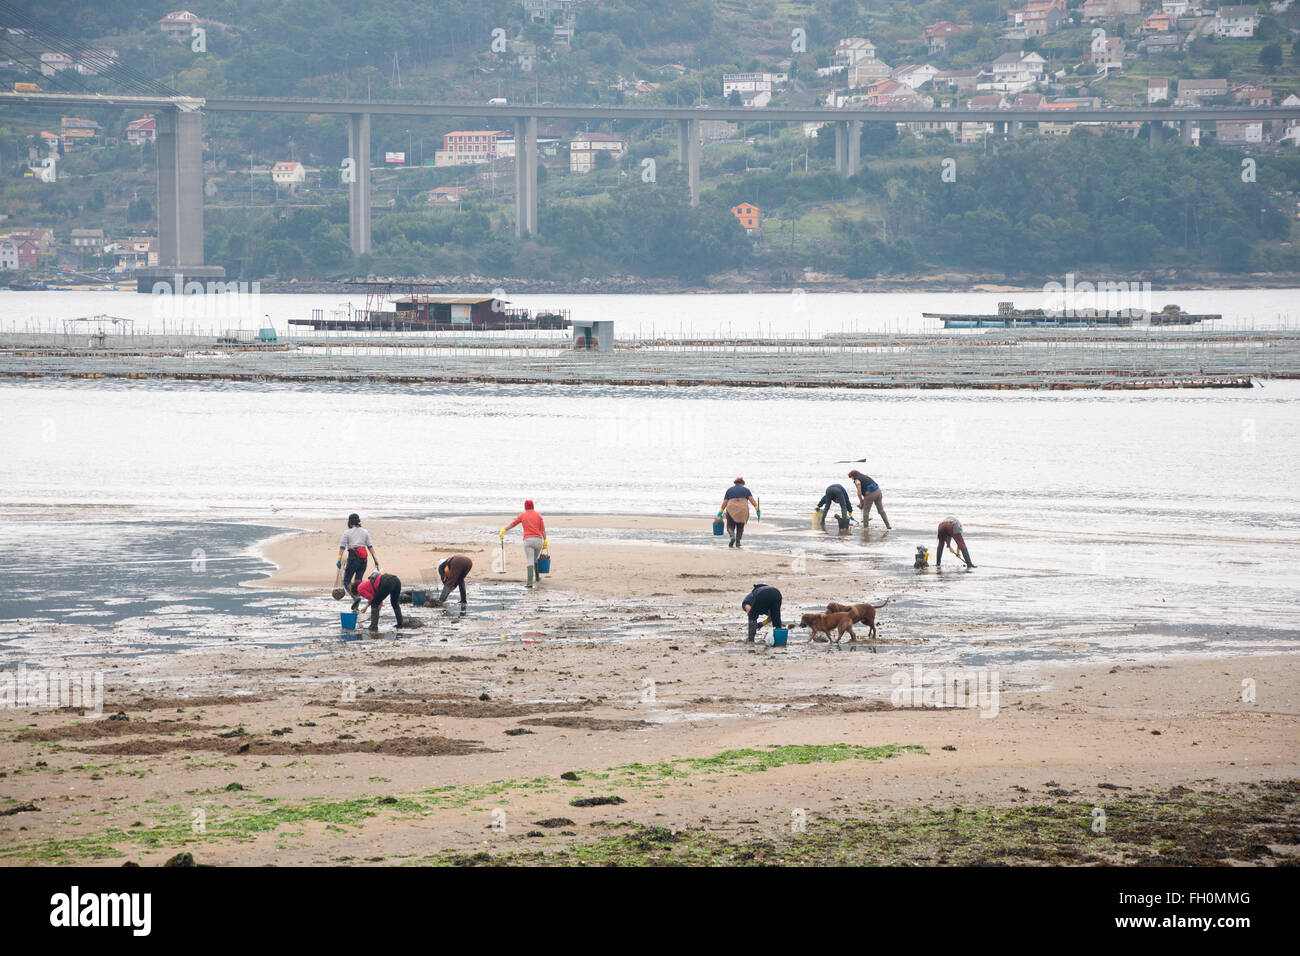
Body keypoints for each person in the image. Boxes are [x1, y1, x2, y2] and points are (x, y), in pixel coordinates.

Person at [501, 500, 548, 588]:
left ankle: (529, 582)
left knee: (530, 559)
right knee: (536, 558)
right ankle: (537, 578)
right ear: (533, 506)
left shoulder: (523, 515)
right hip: (538, 540)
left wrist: (504, 530)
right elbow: (542, 530)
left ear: (525, 506)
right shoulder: (538, 515)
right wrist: (545, 540)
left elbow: (513, 524)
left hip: (528, 540)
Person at [337, 514, 379, 611]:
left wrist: (339, 560)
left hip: (353, 559)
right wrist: (376, 560)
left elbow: (342, 547)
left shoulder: (347, 533)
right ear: (359, 521)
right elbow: (370, 547)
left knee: (346, 581)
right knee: (357, 582)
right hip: (364, 559)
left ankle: (356, 598)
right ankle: (356, 608)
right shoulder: (365, 532)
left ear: (350, 521)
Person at [718, 477, 760, 549]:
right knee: (740, 526)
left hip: (731, 509)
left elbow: (725, 502)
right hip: (742, 509)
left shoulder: (729, 490)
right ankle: (738, 542)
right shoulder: (746, 490)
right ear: (742, 483)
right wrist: (757, 510)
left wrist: (720, 512)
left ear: (735, 483)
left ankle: (732, 537)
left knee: (730, 525)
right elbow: (752, 501)